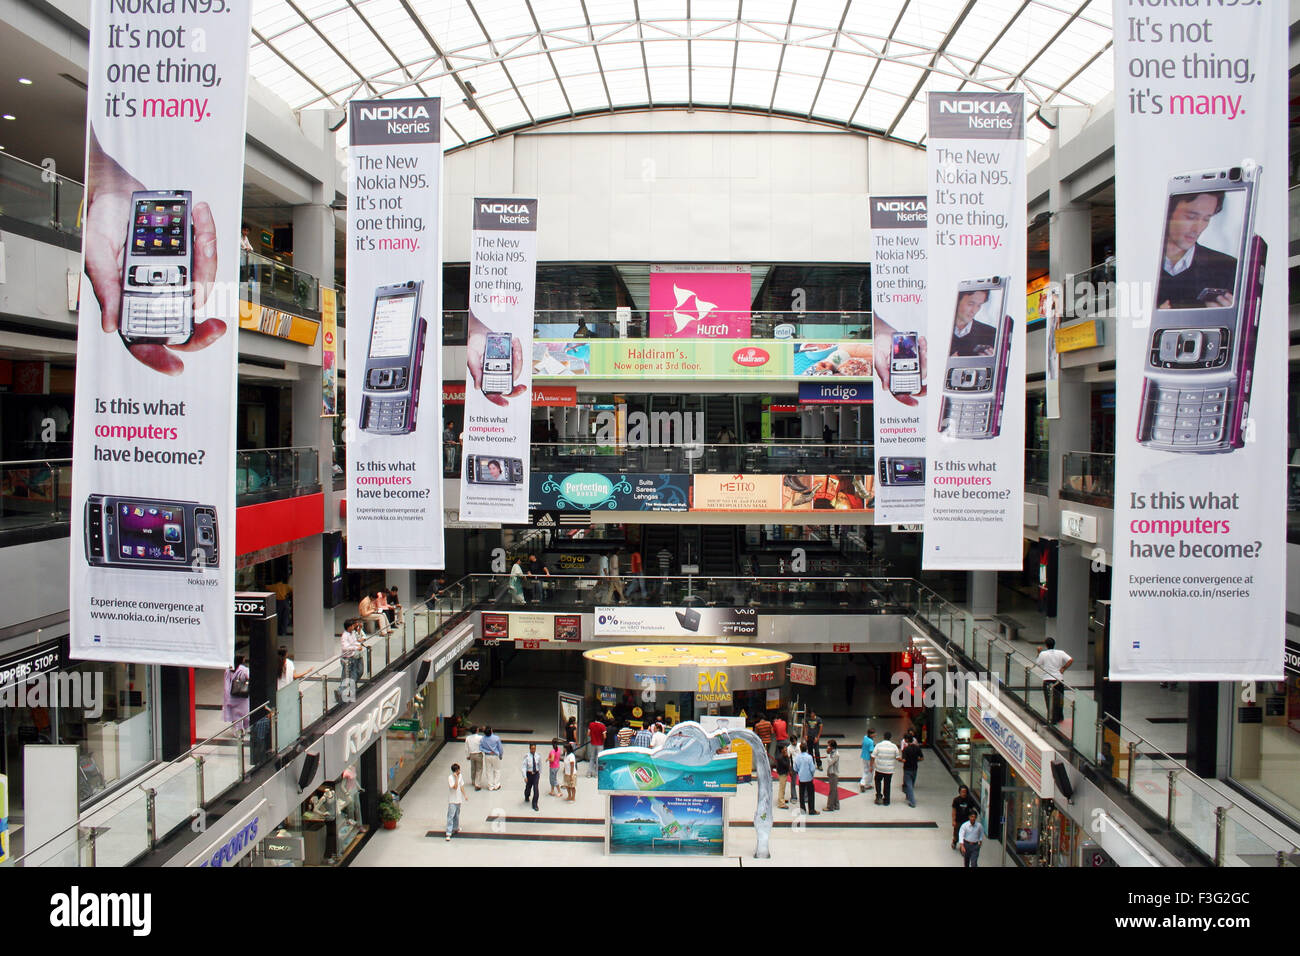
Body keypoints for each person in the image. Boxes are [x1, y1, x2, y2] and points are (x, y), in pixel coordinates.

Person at [1157, 191, 1237, 309]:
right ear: (1166, 212)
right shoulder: (1134, 262)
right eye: (1191, 217)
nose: (1198, 229)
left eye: (1206, 219)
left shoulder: (1230, 269)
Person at [1035, 637, 1074, 724]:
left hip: (1048, 679)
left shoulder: (1043, 654)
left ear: (1046, 645)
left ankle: (1052, 717)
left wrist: (1038, 653)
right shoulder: (1060, 652)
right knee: (1059, 698)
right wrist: (1063, 668)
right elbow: (1070, 660)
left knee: (1049, 699)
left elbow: (1037, 663)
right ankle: (1060, 717)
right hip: (1058, 679)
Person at [948, 289, 997, 357]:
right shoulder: (938, 330)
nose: (974, 311)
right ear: (956, 301)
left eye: (979, 305)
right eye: (970, 304)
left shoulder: (992, 334)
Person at [871, 731, 901, 806]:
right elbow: (898, 757)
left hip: (879, 768)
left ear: (883, 737)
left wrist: (871, 765)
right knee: (887, 784)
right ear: (890, 738)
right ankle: (887, 800)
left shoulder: (878, 745)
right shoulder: (894, 746)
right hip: (889, 770)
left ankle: (878, 796)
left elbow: (873, 756)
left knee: (877, 781)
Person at [222, 655, 250, 729]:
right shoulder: (244, 669)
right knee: (245, 713)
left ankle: (238, 730)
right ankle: (246, 727)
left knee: (236, 715)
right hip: (242, 695)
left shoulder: (228, 670)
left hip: (232, 695)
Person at [339, 618, 365, 697]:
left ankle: (352, 689)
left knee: (357, 672)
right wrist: (356, 647)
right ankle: (341, 693)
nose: (354, 627)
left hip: (353, 656)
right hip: (347, 658)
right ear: (349, 627)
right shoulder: (344, 636)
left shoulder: (352, 633)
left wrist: (358, 645)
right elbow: (345, 647)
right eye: (352, 626)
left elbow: (355, 642)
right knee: (346, 676)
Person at [900, 732, 924, 808]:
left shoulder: (906, 750)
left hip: (907, 769)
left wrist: (899, 760)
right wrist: (916, 760)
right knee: (912, 783)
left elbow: (903, 760)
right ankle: (908, 796)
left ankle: (912, 801)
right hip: (915, 768)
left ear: (906, 740)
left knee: (909, 784)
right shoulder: (917, 748)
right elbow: (922, 758)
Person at [951, 785, 978, 850]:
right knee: (957, 834)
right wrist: (953, 820)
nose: (963, 793)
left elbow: (972, 810)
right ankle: (954, 841)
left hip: (966, 821)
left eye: (965, 792)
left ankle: (963, 846)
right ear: (959, 792)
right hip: (958, 820)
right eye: (962, 792)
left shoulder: (970, 800)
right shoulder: (956, 800)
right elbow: (954, 811)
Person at [794, 742, 818, 815]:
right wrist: (812, 774)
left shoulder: (797, 757)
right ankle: (811, 810)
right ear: (806, 748)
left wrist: (799, 772)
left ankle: (802, 810)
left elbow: (795, 768)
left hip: (801, 778)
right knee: (811, 794)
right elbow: (812, 768)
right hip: (809, 778)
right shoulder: (809, 757)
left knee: (801, 794)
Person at [446, 763, 466, 840]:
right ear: (455, 771)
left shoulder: (460, 776)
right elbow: (455, 787)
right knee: (450, 816)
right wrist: (456, 778)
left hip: (458, 799)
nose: (459, 771)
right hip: (452, 800)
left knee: (457, 815)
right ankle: (448, 832)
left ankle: (456, 827)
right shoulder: (450, 778)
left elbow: (461, 786)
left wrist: (464, 795)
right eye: (458, 770)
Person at [480, 726, 504, 790]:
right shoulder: (496, 738)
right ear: (491, 731)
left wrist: (487, 751)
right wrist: (501, 755)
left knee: (488, 771)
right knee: (497, 770)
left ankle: (490, 786)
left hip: (487, 756)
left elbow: (481, 748)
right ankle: (496, 784)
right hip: (495, 755)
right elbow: (500, 748)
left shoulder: (482, 739)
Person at [522, 743, 543, 812]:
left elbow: (540, 765)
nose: (533, 750)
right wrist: (525, 776)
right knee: (528, 787)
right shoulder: (527, 756)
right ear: (530, 748)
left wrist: (539, 773)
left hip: (536, 774)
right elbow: (524, 767)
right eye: (532, 749)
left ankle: (534, 804)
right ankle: (527, 796)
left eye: (534, 748)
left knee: (536, 788)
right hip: (529, 773)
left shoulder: (538, 756)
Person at [465, 725, 485, 791]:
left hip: (471, 755)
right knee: (479, 769)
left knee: (473, 768)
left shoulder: (468, 738)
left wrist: (467, 755)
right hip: (478, 754)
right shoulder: (480, 737)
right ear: (477, 730)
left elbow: (466, 748)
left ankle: (473, 781)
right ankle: (477, 784)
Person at [774, 738, 792, 809]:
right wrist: (787, 757)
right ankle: (781, 803)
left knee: (783, 787)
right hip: (782, 774)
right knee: (782, 788)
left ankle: (782, 799)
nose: (785, 750)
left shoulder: (780, 756)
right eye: (784, 748)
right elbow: (787, 764)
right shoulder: (781, 757)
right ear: (781, 750)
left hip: (782, 773)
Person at [824, 740, 841, 812]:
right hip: (831, 772)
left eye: (829, 745)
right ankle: (836, 804)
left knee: (832, 791)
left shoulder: (836, 754)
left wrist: (827, 754)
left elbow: (830, 762)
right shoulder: (832, 752)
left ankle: (830, 806)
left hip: (834, 774)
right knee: (835, 790)